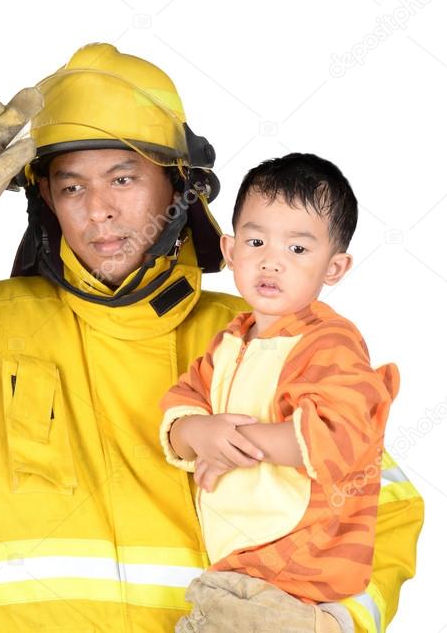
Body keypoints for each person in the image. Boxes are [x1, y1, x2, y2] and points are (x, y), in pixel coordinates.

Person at [0, 43, 423, 632]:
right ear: (44, 200)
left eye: (123, 178)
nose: (97, 209)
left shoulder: (262, 340)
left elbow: (380, 506)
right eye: (70, 184)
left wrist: (328, 623)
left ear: (180, 187)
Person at [159, 154, 402, 631]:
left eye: (297, 250)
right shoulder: (229, 340)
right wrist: (200, 432)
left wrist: (235, 446)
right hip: (241, 560)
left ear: (334, 268)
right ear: (230, 251)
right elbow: (181, 403)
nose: (271, 260)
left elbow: (340, 437)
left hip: (298, 562)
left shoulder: (328, 343)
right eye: (256, 241)